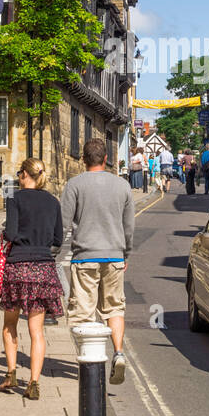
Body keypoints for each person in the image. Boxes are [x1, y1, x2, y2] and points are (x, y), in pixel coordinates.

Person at [62, 138, 136, 385]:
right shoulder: (122, 185)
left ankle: (88, 363)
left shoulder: (74, 184)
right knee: (114, 308)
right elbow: (129, 226)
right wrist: (126, 252)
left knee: (83, 313)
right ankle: (118, 353)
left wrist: (52, 251)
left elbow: (62, 223)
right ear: (106, 159)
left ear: (83, 160)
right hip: (115, 255)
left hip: (85, 257)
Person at [0, 159, 64, 399]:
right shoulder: (52, 202)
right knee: (37, 331)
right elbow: (58, 239)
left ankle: (11, 373)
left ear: (25, 174)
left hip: (18, 267)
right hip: (43, 270)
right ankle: (34, 383)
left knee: (10, 324)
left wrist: (6, 232)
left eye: (19, 174)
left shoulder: (14, 199)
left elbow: (12, 233)